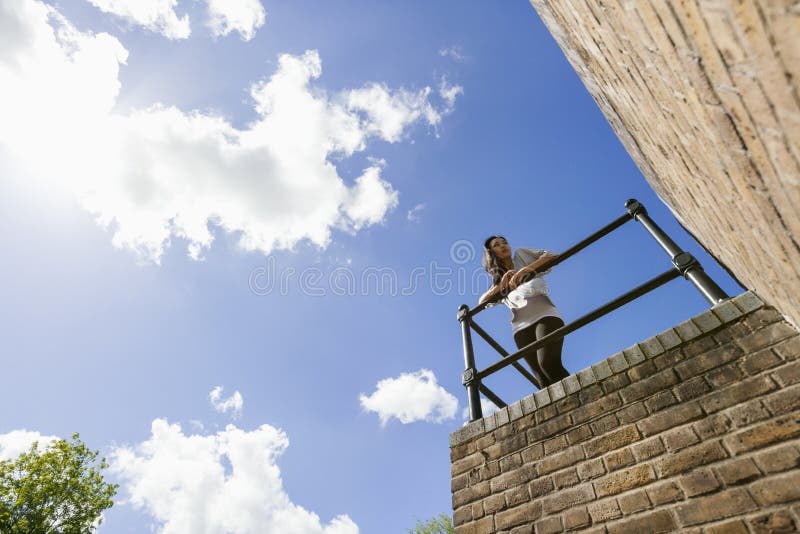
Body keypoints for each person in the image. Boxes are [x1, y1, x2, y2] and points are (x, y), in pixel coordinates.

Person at [479, 235, 569, 387]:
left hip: (546, 316)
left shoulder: (521, 255)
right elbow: (482, 302)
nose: (503, 245)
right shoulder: (499, 281)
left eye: (505, 242)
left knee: (547, 364)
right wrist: (502, 284)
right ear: (491, 253)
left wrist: (527, 269)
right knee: (541, 378)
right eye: (496, 245)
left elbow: (552, 256)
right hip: (521, 329)